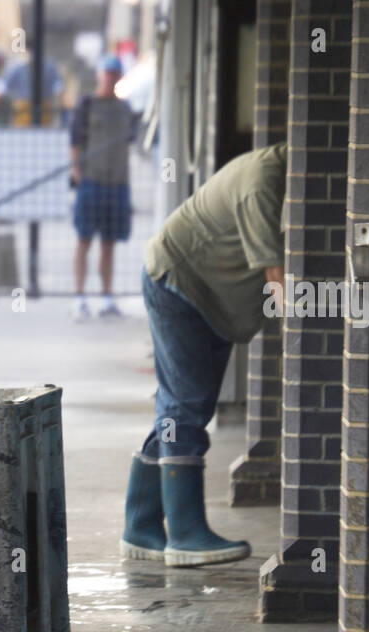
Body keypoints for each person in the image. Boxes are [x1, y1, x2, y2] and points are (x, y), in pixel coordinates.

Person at [122, 143, 287, 567]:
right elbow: (278, 281)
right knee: (185, 407)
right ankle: (185, 534)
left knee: (183, 406)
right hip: (181, 284)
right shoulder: (263, 183)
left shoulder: (277, 171)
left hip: (208, 296)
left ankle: (141, 527)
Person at [69, 55, 134, 321]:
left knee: (109, 243)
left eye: (114, 73)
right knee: (84, 239)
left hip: (117, 183)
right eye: (106, 73)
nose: (109, 77)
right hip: (91, 182)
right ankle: (79, 296)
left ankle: (107, 297)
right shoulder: (86, 106)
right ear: (99, 75)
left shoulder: (125, 109)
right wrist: (78, 175)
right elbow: (74, 142)